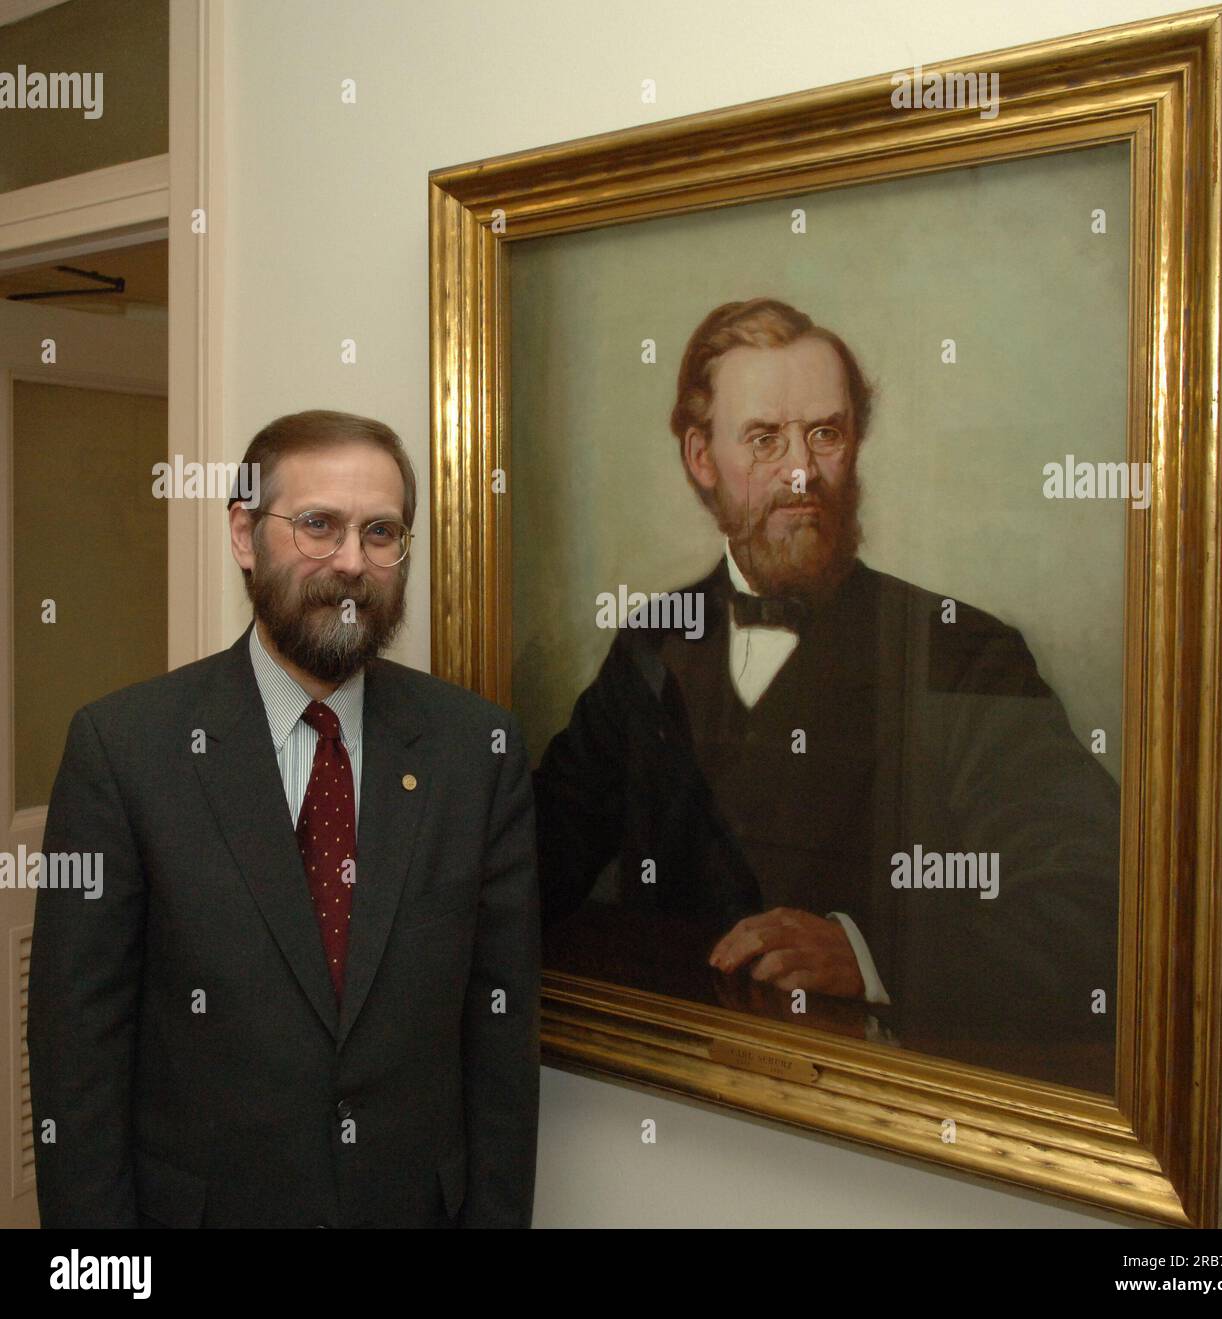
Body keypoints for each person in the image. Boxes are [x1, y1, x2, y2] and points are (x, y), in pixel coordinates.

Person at [534, 299, 1119, 1086]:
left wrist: (871, 953)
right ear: (701, 457)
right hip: (663, 1094)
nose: (802, 470)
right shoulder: (652, 647)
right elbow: (535, 858)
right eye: (766, 439)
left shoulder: (963, 653)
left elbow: (1098, 907)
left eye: (825, 433)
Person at [29, 410, 539, 1227]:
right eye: (317, 526)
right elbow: (75, 1056)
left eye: (381, 532)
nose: (351, 562)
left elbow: (502, 1047)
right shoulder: (125, 751)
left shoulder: (476, 752)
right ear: (244, 533)